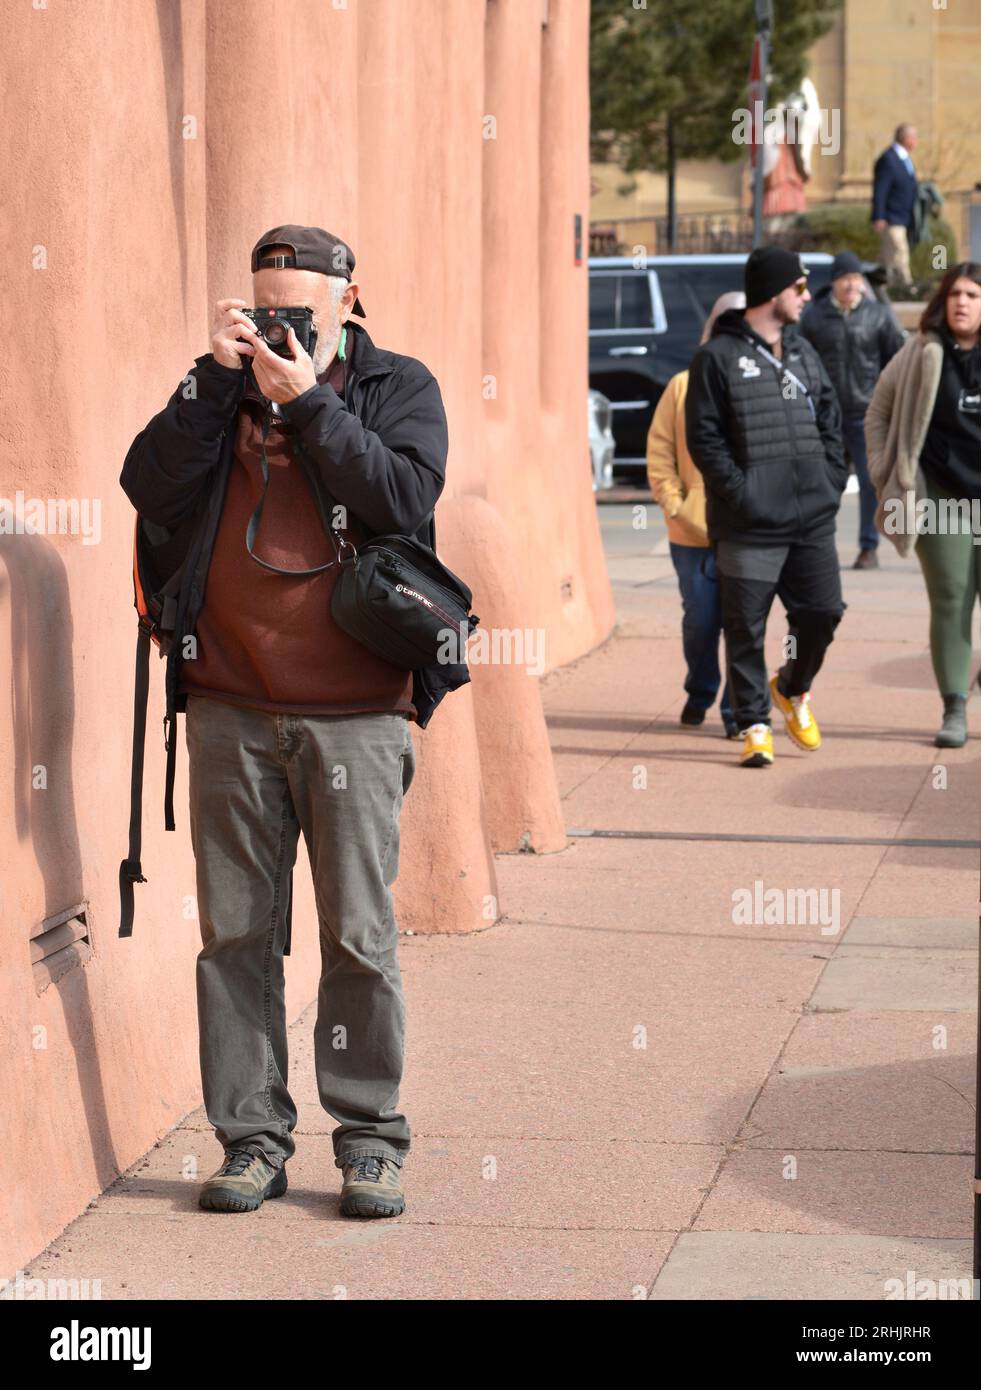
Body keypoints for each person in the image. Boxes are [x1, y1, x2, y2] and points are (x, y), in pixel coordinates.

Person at [119, 225, 449, 1217]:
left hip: (356, 711)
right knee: (235, 938)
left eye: (300, 309)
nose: (282, 326)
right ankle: (252, 1139)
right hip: (228, 704)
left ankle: (369, 1141)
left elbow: (401, 494)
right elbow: (146, 484)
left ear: (351, 300)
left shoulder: (397, 387)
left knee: (357, 933)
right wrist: (216, 384)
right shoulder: (216, 390)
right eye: (267, 308)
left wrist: (308, 402)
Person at [685, 246, 848, 768]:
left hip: (812, 520)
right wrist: (744, 495)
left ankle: (793, 689)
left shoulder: (804, 351)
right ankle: (755, 722)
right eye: (799, 288)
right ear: (773, 293)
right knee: (745, 627)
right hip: (749, 524)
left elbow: (831, 417)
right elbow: (705, 441)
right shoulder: (717, 358)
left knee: (821, 614)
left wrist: (830, 479)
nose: (807, 297)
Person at [866, 262, 981, 748]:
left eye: (974, 295)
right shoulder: (920, 352)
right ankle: (954, 705)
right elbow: (878, 411)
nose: (962, 303)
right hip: (942, 498)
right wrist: (884, 471)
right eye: (954, 293)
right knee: (952, 600)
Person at [646, 293, 744, 738]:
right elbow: (660, 451)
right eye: (725, 320)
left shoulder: (755, 383)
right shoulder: (682, 385)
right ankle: (701, 689)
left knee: (743, 624)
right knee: (701, 620)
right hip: (691, 532)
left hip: (747, 532)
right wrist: (676, 505)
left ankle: (736, 711)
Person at [800, 249, 905, 569]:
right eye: (845, 279)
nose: (850, 285)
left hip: (866, 414)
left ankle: (868, 546)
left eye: (855, 279)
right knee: (824, 482)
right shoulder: (814, 316)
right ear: (833, 282)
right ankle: (820, 546)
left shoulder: (878, 316)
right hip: (827, 414)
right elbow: (804, 361)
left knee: (870, 483)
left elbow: (896, 362)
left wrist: (888, 406)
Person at [872, 123, 919, 294]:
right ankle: (907, 286)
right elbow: (881, 190)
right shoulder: (889, 159)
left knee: (887, 256)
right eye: (915, 137)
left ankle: (881, 285)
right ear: (906, 138)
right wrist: (878, 216)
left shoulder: (904, 159)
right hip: (891, 216)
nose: (917, 141)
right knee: (899, 249)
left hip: (903, 215)